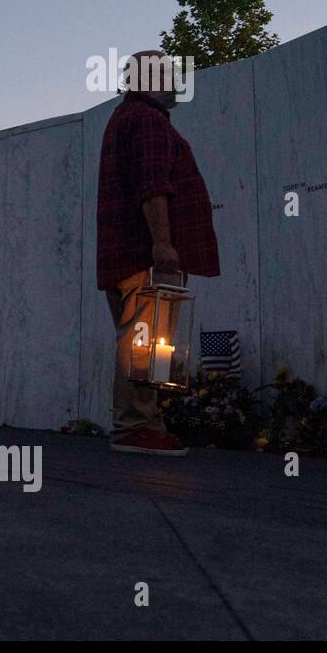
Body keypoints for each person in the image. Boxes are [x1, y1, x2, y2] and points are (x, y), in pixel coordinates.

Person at [97, 50, 219, 455]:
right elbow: (153, 185)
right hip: (143, 257)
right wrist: (163, 244)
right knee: (143, 339)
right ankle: (134, 427)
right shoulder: (147, 120)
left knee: (143, 338)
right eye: (168, 74)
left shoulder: (124, 119)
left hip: (127, 254)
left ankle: (147, 422)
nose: (176, 81)